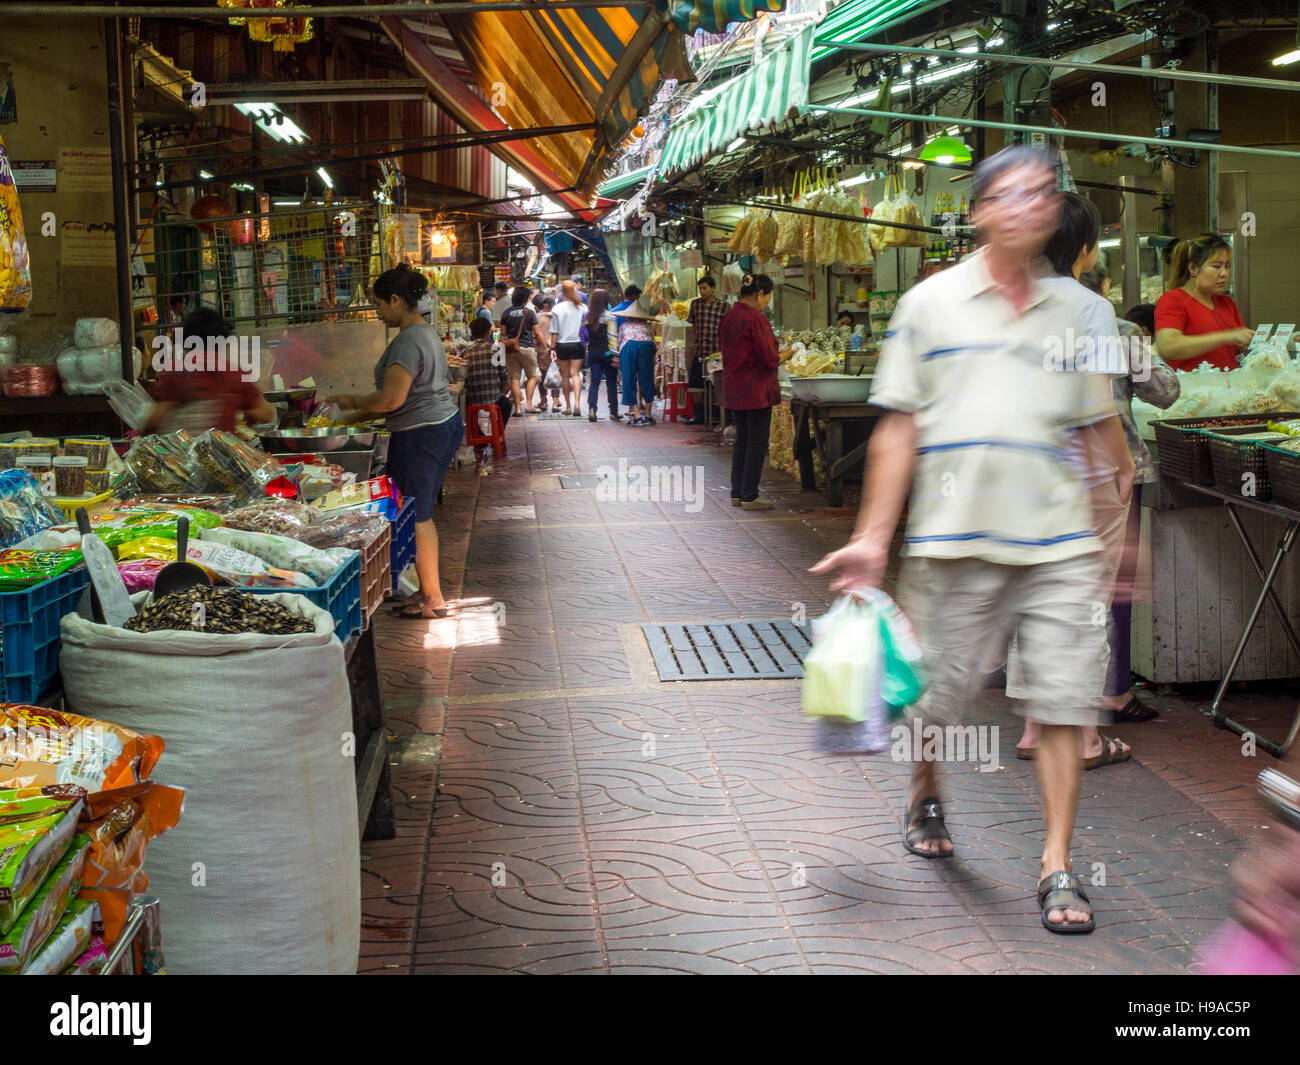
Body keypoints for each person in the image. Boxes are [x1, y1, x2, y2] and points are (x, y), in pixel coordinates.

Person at [811, 145, 1135, 935]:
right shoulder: (929, 304)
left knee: (1062, 701)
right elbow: (898, 427)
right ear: (982, 209)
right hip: (955, 542)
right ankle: (925, 790)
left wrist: (1118, 529)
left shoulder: (1077, 311)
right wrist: (871, 541)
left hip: (1057, 544)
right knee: (935, 699)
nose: (1030, 206)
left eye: (1044, 194)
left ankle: (1056, 861)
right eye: (1012, 194)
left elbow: (1099, 428)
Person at [1012, 193, 1173, 767]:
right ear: (1083, 248)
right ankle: (1082, 736)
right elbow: (1100, 396)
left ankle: (1035, 727)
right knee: (1086, 600)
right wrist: (1125, 466)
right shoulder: (1091, 307)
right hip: (1083, 468)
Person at [327, 263, 462, 620]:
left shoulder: (408, 341)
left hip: (421, 434)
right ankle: (426, 591)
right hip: (440, 426)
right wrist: (354, 417)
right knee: (422, 514)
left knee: (418, 516)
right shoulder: (425, 333)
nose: (378, 312)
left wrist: (353, 402)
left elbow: (391, 400)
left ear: (397, 300)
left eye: (380, 305)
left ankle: (433, 598)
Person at [146, 307, 275, 433]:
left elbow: (154, 422)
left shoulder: (175, 372)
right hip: (222, 452)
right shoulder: (234, 373)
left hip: (178, 452)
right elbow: (266, 414)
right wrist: (248, 412)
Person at [718, 273, 785, 509]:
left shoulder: (728, 316)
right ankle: (750, 495)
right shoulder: (756, 319)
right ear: (759, 294)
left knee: (742, 440)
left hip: (734, 388)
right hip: (756, 390)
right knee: (756, 441)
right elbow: (769, 359)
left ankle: (737, 492)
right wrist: (790, 352)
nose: (767, 302)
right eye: (767, 297)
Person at [1155, 233, 1253, 370]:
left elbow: (1233, 349)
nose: (1224, 273)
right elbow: (1169, 346)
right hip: (1189, 389)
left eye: (1227, 266)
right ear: (1193, 268)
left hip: (1228, 387)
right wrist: (1227, 337)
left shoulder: (1226, 303)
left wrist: (1250, 343)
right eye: (1216, 266)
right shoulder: (1174, 299)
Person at [686, 276, 728, 426]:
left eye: (705, 288)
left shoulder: (723, 306)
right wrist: (693, 343)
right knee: (695, 384)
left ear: (713, 288)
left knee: (716, 385)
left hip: (716, 352)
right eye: (700, 289)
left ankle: (717, 415)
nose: (702, 291)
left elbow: (727, 327)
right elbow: (692, 326)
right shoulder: (695, 304)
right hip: (700, 350)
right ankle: (699, 415)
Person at [461, 314, 513, 435]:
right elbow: (504, 378)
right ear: (488, 333)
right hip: (493, 397)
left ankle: (480, 438)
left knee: (463, 410)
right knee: (507, 405)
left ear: (473, 334)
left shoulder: (465, 352)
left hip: (472, 398)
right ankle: (498, 435)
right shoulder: (496, 349)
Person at [500, 284, 545, 414]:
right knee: (533, 376)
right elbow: (537, 332)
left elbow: (502, 334)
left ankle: (518, 409)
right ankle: (529, 405)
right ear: (526, 299)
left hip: (511, 350)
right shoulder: (529, 312)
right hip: (527, 348)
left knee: (514, 378)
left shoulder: (506, 313)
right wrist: (545, 346)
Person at [612, 299, 657, 425]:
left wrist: (619, 359)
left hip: (628, 348)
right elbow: (653, 343)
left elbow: (619, 343)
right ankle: (648, 415)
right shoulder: (647, 326)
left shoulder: (624, 326)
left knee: (629, 379)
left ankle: (637, 416)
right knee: (647, 380)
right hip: (646, 347)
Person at [549, 280, 587, 416]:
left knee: (565, 377)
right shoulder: (582, 307)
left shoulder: (557, 308)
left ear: (562, 292)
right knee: (575, 374)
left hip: (562, 345)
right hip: (577, 344)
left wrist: (552, 348)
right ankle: (577, 405)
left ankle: (569, 407)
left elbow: (554, 330)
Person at [584, 288, 620, 422]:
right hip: (607, 353)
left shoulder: (587, 317)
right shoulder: (610, 316)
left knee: (594, 382)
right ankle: (613, 411)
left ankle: (592, 408)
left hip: (593, 353)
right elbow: (612, 338)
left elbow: (585, 337)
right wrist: (615, 355)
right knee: (611, 382)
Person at [534, 295, 560, 413]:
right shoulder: (558, 317)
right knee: (555, 376)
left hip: (542, 350)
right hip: (555, 350)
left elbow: (535, 335)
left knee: (543, 377)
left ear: (546, 305)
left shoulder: (539, 318)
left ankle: (543, 401)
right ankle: (555, 403)